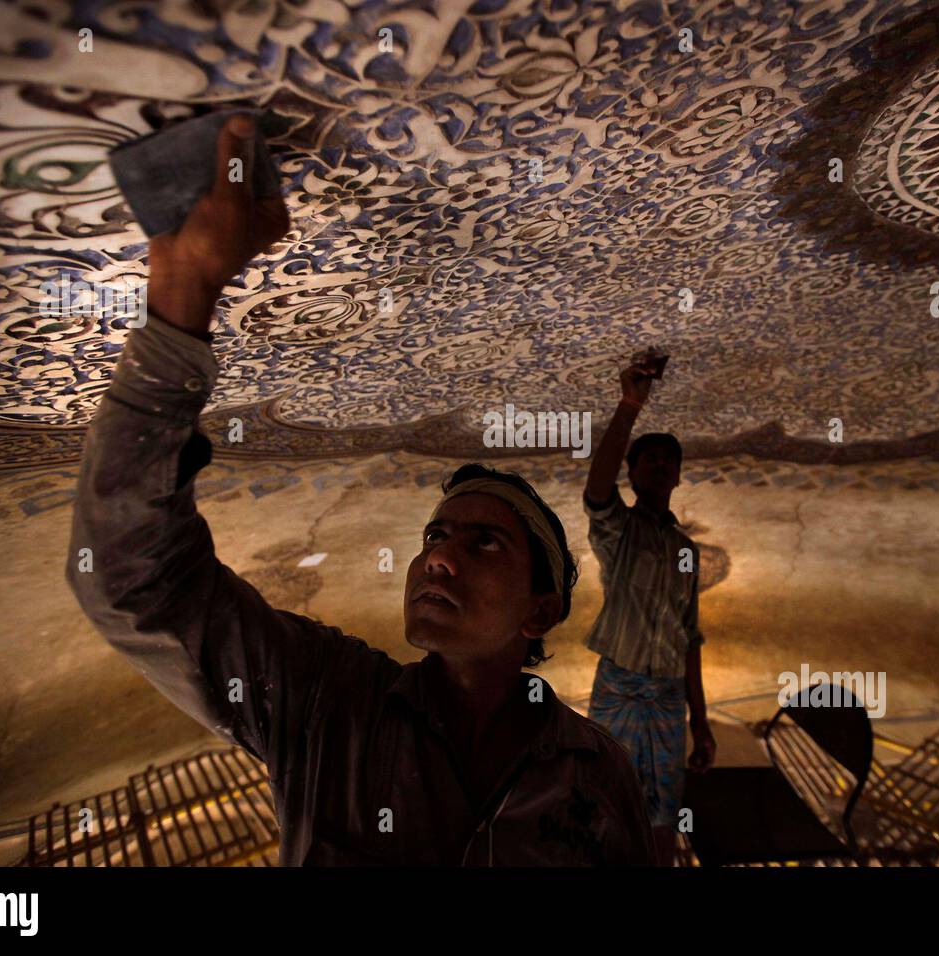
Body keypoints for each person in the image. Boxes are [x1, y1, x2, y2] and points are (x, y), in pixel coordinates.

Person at [65, 114, 654, 866]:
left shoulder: (599, 773)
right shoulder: (322, 700)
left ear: (541, 608)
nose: (438, 559)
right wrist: (186, 289)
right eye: (434, 537)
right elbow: (135, 582)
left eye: (483, 543)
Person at [582, 356, 717, 865]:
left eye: (669, 460)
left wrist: (700, 722)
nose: (661, 465)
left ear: (678, 476)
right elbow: (596, 493)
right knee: (603, 794)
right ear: (634, 474)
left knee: (663, 809)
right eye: (649, 459)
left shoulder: (688, 551)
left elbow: (690, 639)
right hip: (617, 683)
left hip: (666, 696)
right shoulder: (619, 531)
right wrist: (628, 407)